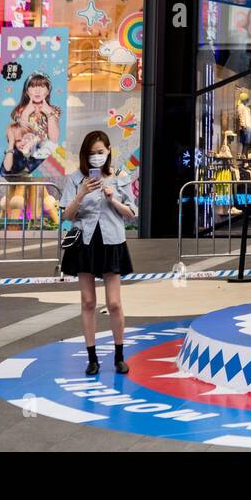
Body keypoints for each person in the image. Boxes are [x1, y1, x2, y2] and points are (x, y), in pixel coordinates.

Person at [61, 130, 138, 375]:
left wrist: (113, 199)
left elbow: (132, 213)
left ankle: (119, 356)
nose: (97, 157)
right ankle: (92, 358)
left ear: (108, 152)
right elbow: (67, 215)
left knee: (114, 303)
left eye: (101, 152)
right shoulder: (74, 178)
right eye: (92, 153)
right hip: (84, 241)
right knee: (88, 302)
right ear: (85, 154)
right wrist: (82, 192)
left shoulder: (120, 176)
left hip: (112, 240)